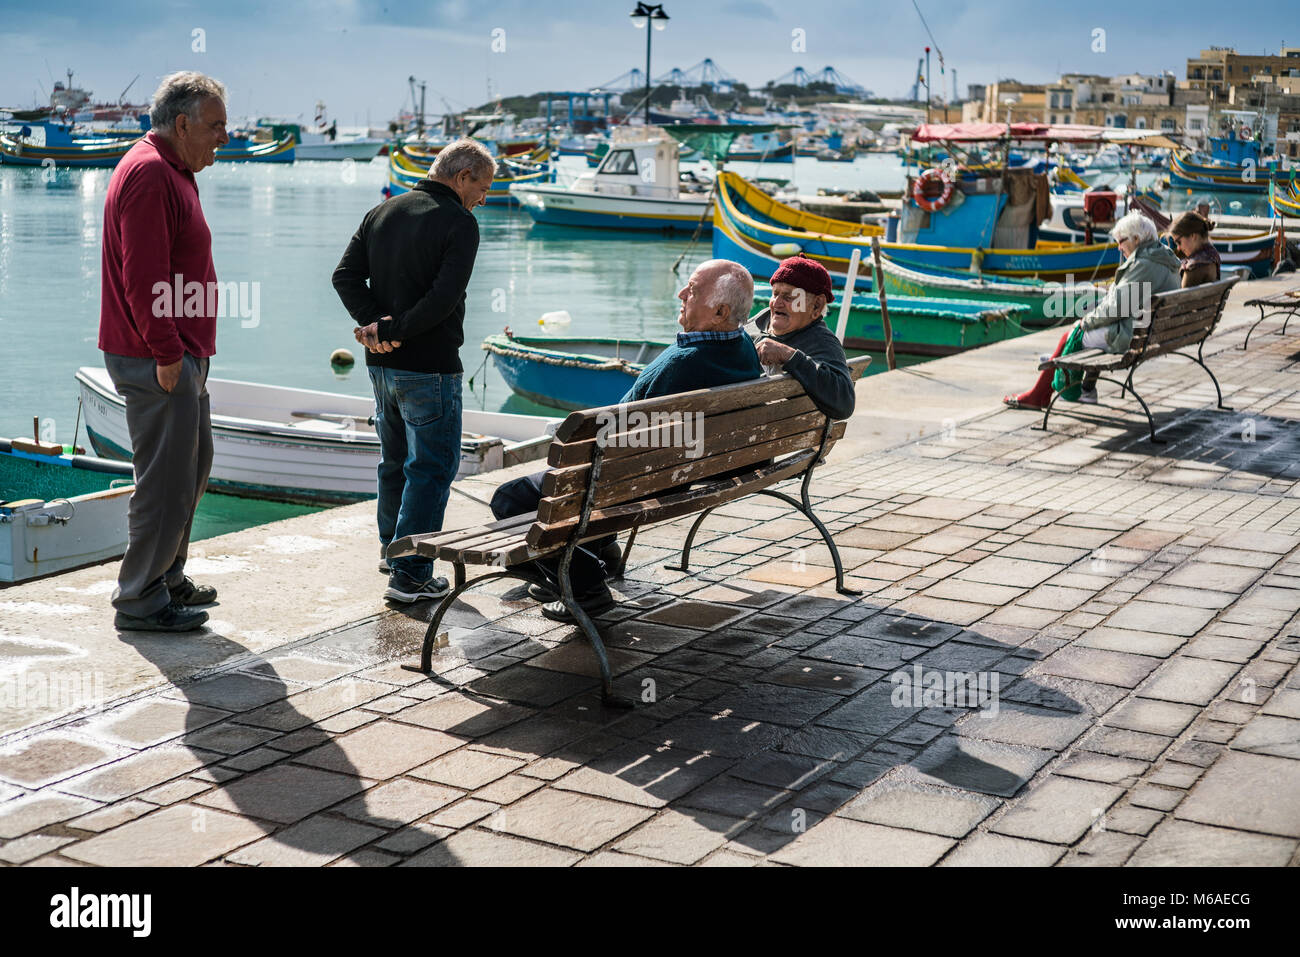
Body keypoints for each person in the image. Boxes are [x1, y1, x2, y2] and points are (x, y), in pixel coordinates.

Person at [489, 259, 763, 622]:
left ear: (720, 311)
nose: (681, 294)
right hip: (673, 476)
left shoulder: (680, 364)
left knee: (509, 498)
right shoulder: (743, 348)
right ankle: (598, 551)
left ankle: (583, 583)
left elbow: (613, 429)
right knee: (604, 479)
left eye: (692, 290)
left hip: (631, 482)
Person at [332, 139, 495, 603]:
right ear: (461, 177)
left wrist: (376, 328)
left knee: (395, 462)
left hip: (381, 368)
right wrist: (392, 328)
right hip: (429, 367)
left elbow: (343, 277)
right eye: (481, 187)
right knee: (431, 467)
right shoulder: (459, 223)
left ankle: (393, 551)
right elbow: (443, 301)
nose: (482, 199)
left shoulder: (383, 212)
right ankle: (411, 574)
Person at [100, 72, 229, 633]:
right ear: (182, 124)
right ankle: (140, 599)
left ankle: (168, 576)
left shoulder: (174, 169)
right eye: (216, 126)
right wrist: (168, 352)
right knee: (165, 481)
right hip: (158, 357)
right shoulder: (152, 174)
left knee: (191, 469)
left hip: (178, 353)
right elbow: (143, 276)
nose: (225, 137)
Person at [1004, 210, 1180, 410]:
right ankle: (1079, 385)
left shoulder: (1144, 264)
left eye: (1121, 241)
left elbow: (1116, 308)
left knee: (1072, 335)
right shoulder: (1163, 257)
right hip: (1152, 332)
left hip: (1132, 336)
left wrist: (1085, 322)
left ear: (1137, 239)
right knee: (1082, 328)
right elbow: (1127, 301)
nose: (1119, 247)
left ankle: (1039, 393)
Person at [752, 255, 855, 420]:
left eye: (788, 297)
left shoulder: (820, 341)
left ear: (816, 306)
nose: (776, 303)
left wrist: (788, 355)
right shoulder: (757, 324)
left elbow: (845, 403)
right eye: (775, 294)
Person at [1168, 211, 1221, 287]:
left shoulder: (1193, 267)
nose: (1178, 248)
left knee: (1146, 290)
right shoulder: (1213, 255)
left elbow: (1182, 297)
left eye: (1179, 242)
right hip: (1208, 298)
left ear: (1193, 236)